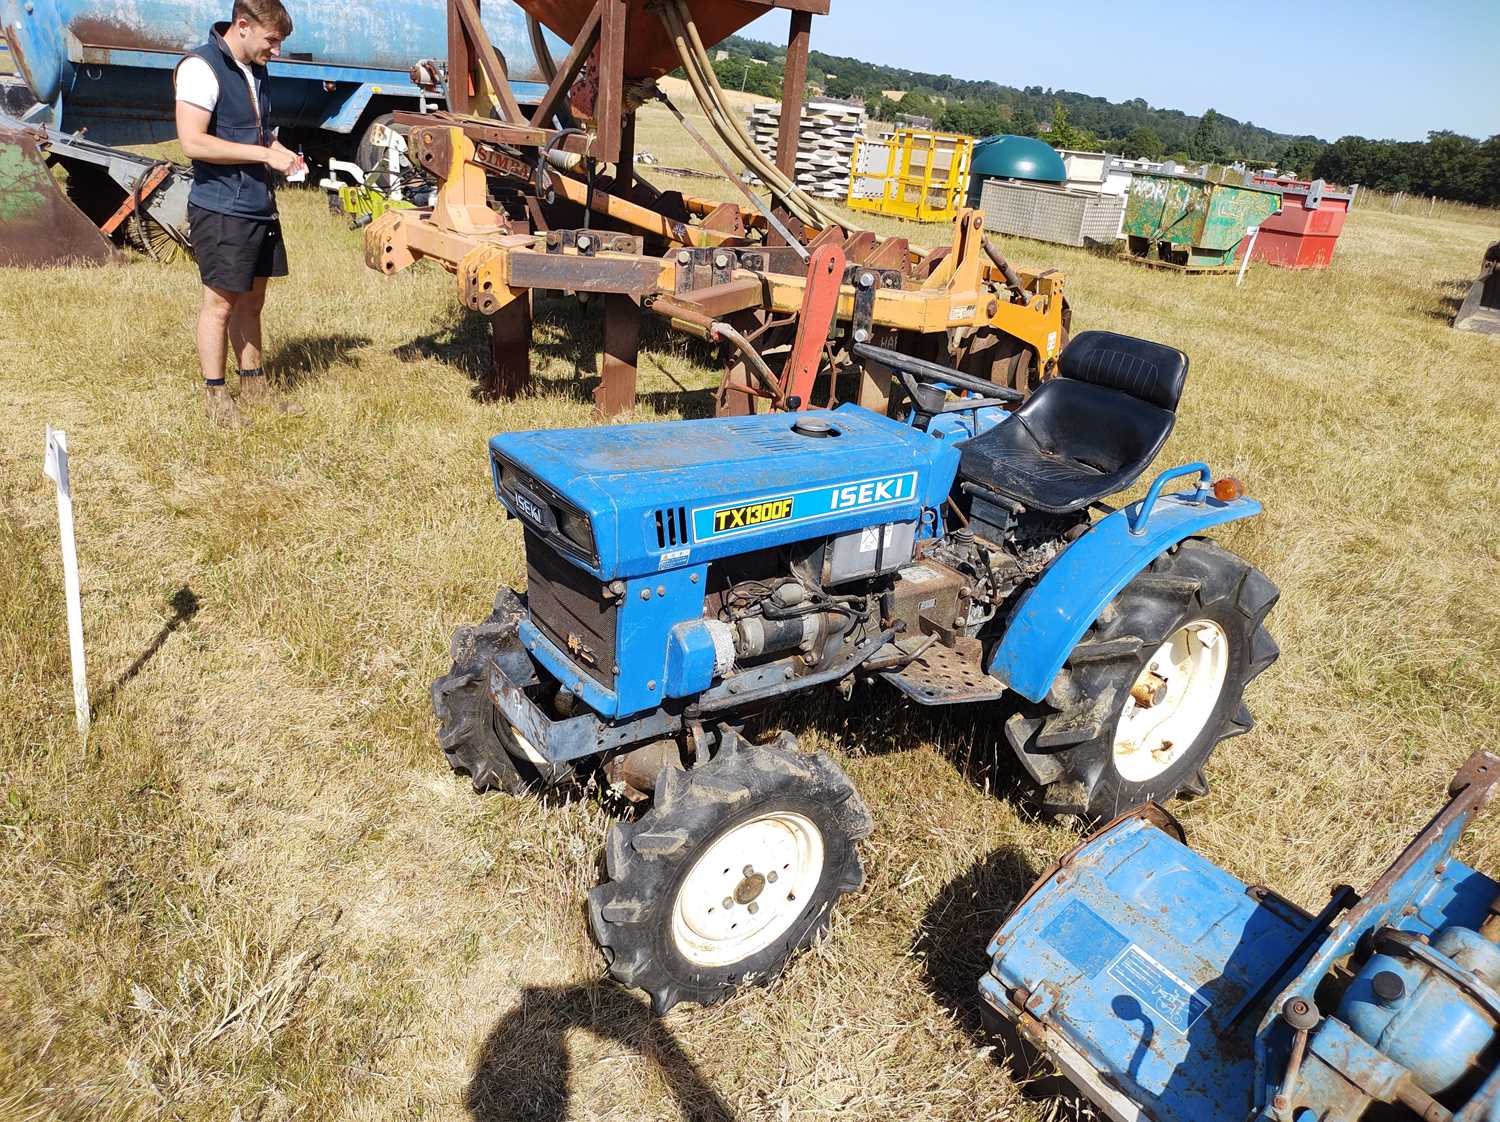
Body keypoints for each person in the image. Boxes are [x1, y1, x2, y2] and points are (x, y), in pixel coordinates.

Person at [174, 0, 305, 427]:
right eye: (272, 40)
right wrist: (261, 156)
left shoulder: (256, 67)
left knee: (253, 302)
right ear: (242, 26)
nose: (277, 51)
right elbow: (193, 142)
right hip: (222, 208)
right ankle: (216, 397)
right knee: (219, 305)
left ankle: (255, 387)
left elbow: (260, 135)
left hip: (258, 206)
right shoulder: (201, 67)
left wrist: (279, 152)